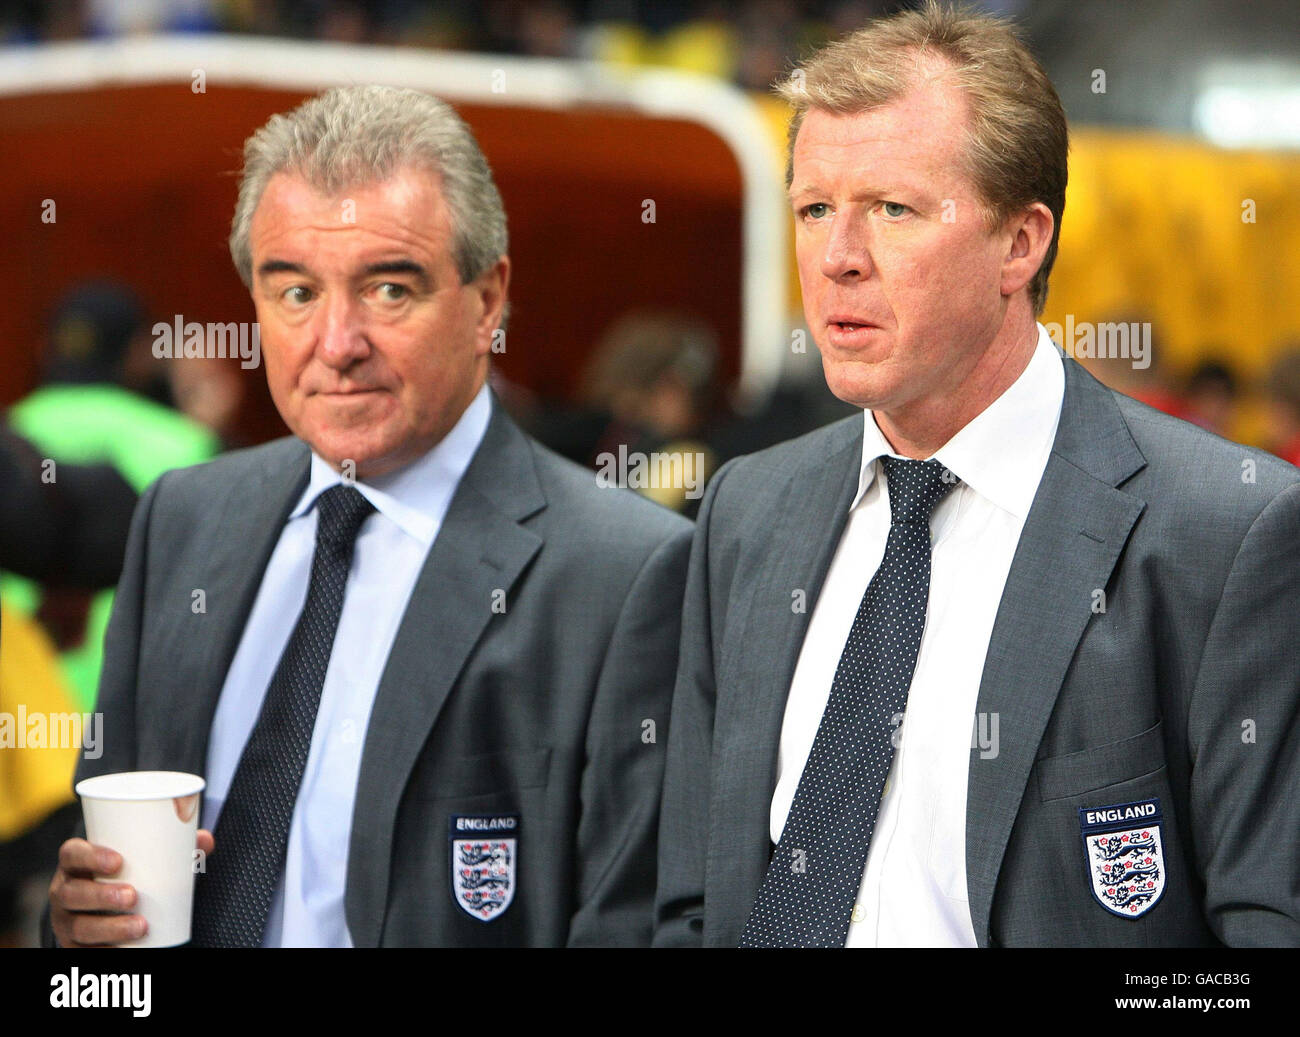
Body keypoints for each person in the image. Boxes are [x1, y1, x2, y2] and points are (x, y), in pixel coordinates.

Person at [655, 1, 1300, 948]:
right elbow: (691, 904)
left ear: (1019, 242)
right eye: (815, 208)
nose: (836, 259)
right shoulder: (749, 513)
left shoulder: (1226, 532)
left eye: (893, 209)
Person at [47, 85, 691, 947]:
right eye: (296, 292)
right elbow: (98, 919)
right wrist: (76, 931)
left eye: (389, 289)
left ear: (487, 302)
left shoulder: (627, 571)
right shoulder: (183, 520)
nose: (338, 341)